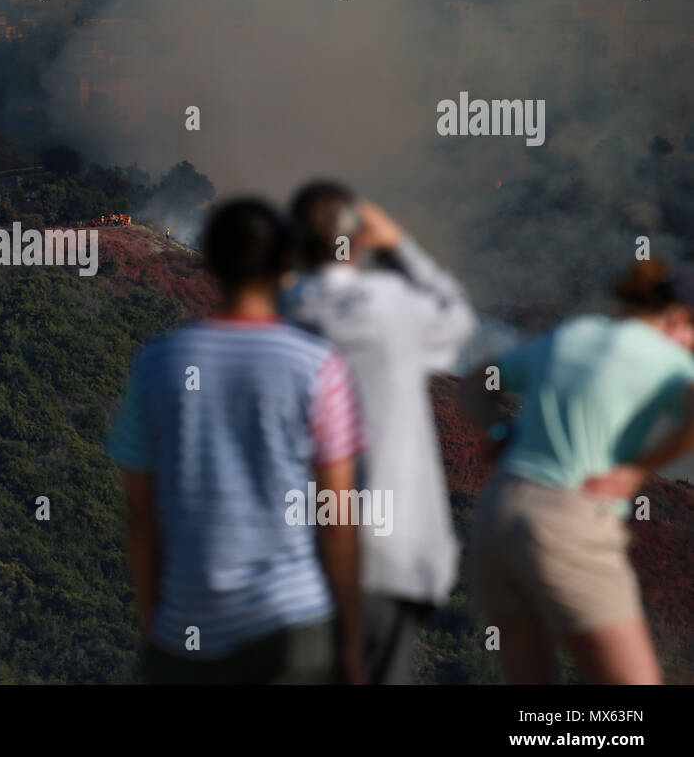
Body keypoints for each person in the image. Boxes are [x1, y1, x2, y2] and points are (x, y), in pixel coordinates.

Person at [108, 198, 366, 684]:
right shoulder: (318, 366)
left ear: (209, 263)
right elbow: (338, 517)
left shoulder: (157, 364)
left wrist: (155, 629)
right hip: (293, 622)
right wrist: (350, 641)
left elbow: (141, 518)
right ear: (285, 268)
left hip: (188, 626)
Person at [464, 258, 694, 684]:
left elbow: (480, 381)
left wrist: (499, 430)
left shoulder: (575, 333)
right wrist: (636, 471)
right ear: (678, 319)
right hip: (569, 523)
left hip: (496, 514)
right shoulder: (667, 356)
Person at [282, 183, 476, 684]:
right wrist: (400, 247)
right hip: (394, 557)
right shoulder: (395, 307)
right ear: (360, 241)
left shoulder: (281, 318)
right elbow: (457, 317)